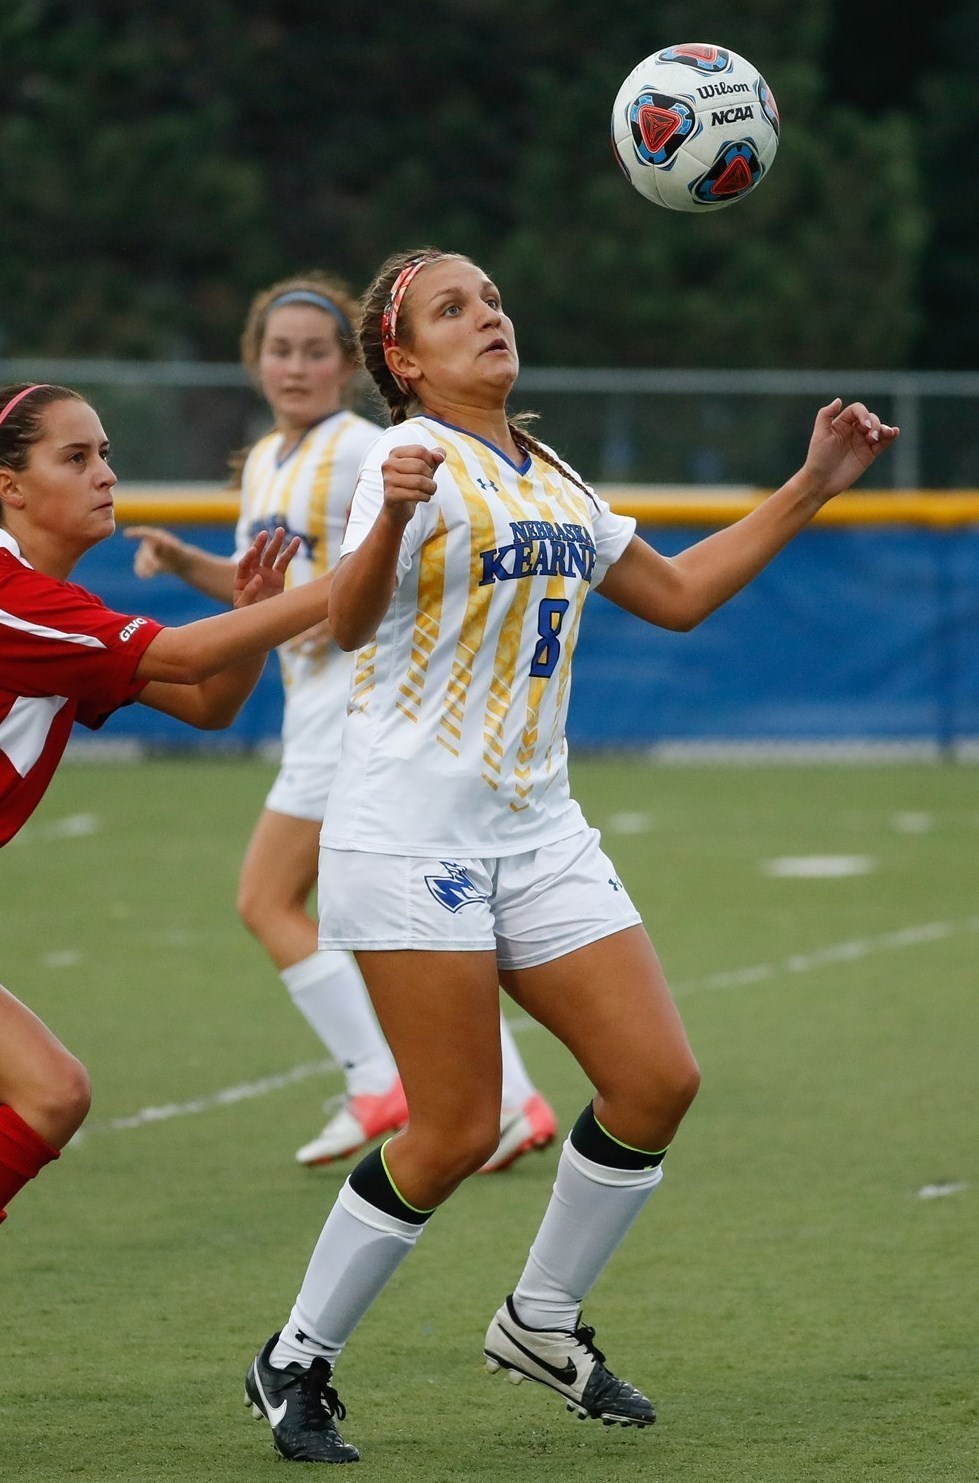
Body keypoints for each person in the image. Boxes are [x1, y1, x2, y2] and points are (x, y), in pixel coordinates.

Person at [241, 248, 899, 1465]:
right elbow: (338, 622)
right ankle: (295, 1357)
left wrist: (811, 482)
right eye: (451, 309)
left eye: (490, 300)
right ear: (403, 359)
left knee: (654, 1080)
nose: (485, 317)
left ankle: (538, 1321)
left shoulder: (545, 472)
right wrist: (388, 510)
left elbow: (681, 592)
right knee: (452, 1129)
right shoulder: (399, 467)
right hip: (409, 835)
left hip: (536, 830)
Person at [125, 273, 556, 1172]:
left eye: (315, 350)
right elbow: (273, 595)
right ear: (254, 360)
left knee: (270, 899)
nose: (295, 365)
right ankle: (510, 1101)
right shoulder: (275, 460)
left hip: (356, 711)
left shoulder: (369, 448)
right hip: (320, 715)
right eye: (278, 349)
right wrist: (187, 563)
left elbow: (349, 597)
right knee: (408, 916)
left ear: (347, 365)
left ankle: (378, 1080)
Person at [0, 380, 354, 1228]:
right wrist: (356, 576)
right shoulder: (14, 598)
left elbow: (209, 704)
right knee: (51, 1090)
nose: (106, 474)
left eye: (107, 455)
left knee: (52, 1093)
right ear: (9, 487)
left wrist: (257, 611)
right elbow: (189, 660)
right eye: (76, 457)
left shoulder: (58, 615)